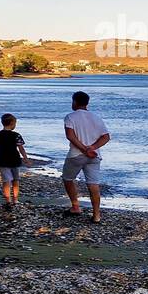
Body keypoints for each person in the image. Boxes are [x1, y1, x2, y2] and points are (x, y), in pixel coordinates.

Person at [61, 90, 111, 223]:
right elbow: (106, 137)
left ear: (75, 102)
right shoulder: (96, 117)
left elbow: (70, 136)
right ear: (87, 103)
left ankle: (75, 206)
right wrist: (92, 148)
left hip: (76, 154)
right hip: (94, 155)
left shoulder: (70, 117)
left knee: (68, 179)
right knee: (93, 184)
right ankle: (96, 215)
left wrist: (84, 149)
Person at [0, 113, 30, 211]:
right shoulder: (16, 135)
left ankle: (8, 201)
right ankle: (15, 200)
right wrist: (25, 158)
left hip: (3, 160)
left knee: (6, 181)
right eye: (15, 123)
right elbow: (21, 148)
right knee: (16, 180)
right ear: (12, 123)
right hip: (14, 159)